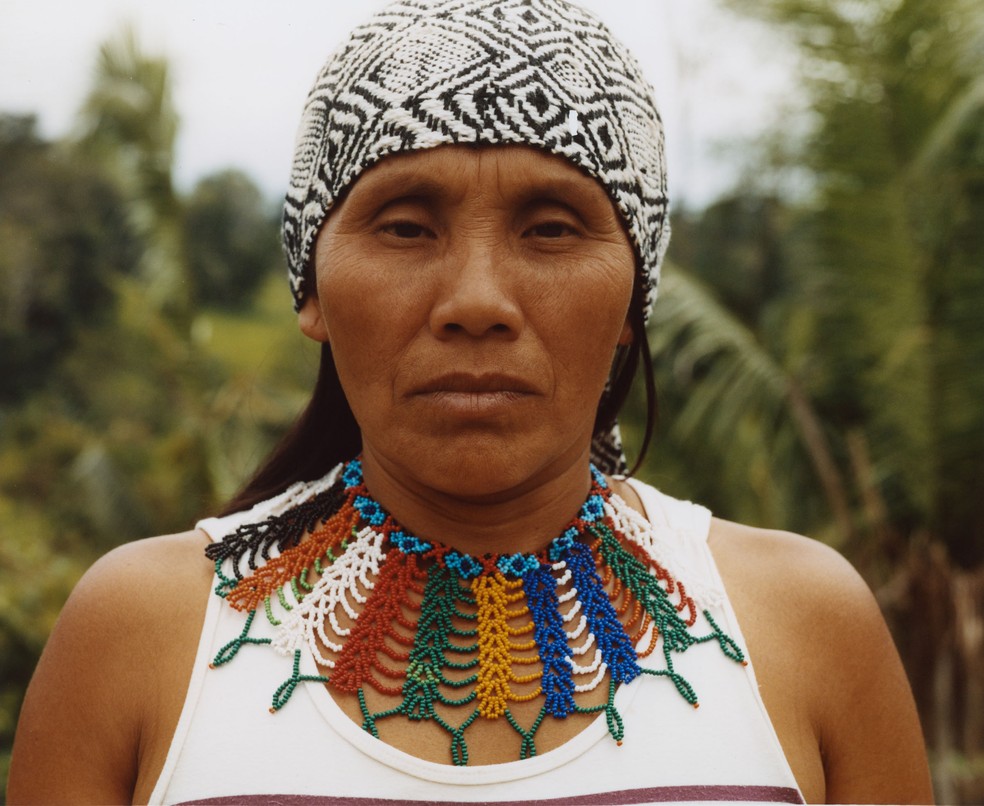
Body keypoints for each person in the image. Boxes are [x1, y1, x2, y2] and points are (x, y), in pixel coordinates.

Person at [8, 1, 932, 803]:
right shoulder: (139, 637)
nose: (478, 302)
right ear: (313, 292)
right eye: (405, 226)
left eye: (553, 227)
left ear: (631, 300)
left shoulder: (805, 631)